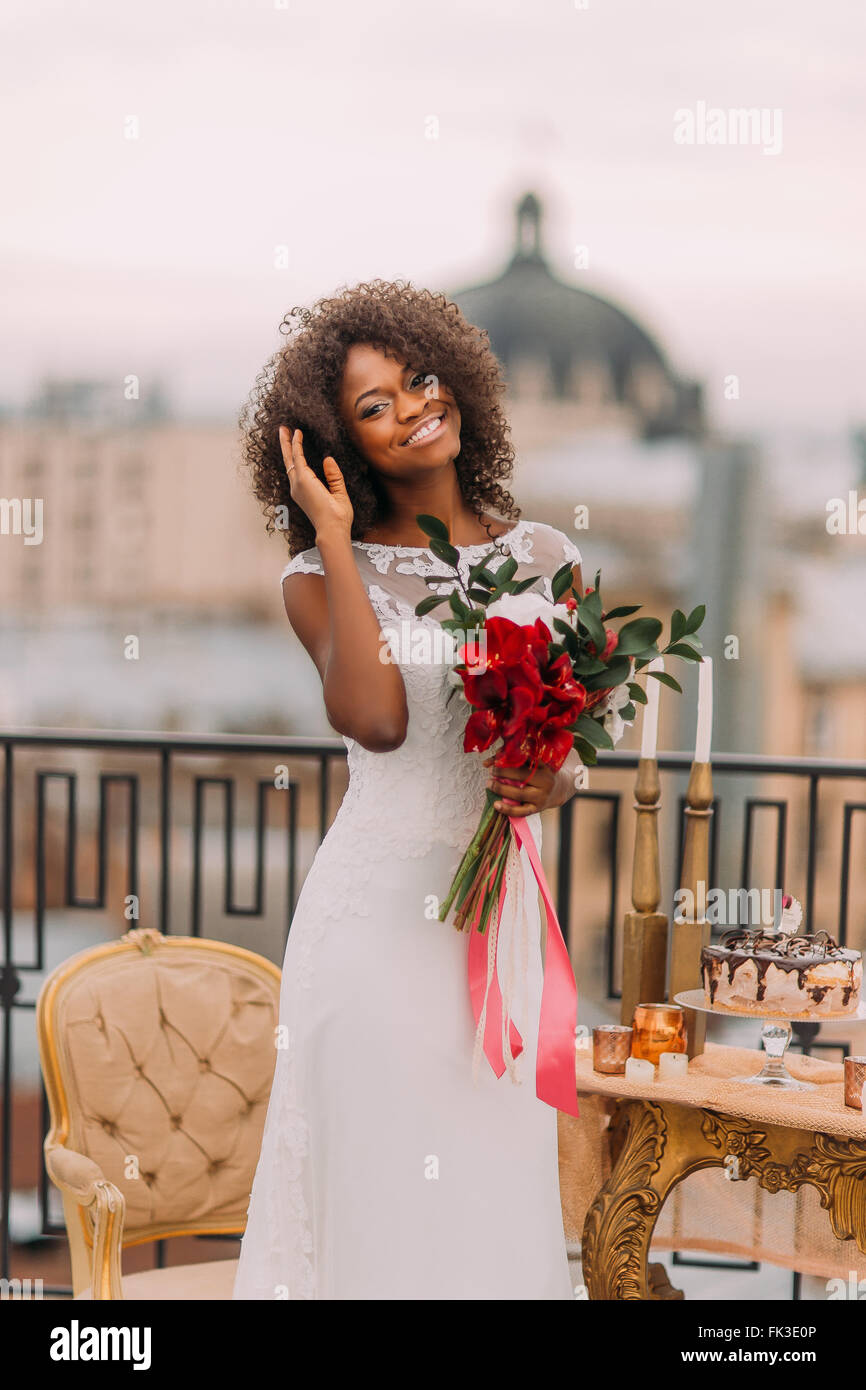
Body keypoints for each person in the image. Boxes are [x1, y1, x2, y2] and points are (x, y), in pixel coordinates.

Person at [232, 280, 585, 1300]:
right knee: (381, 1198)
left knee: (487, 1187)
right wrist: (337, 538)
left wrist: (544, 779)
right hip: (372, 934)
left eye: (417, 380)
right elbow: (377, 720)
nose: (411, 408)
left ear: (455, 381)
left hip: (496, 929)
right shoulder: (314, 576)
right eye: (372, 406)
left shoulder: (548, 557)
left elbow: (566, 750)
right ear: (337, 446)